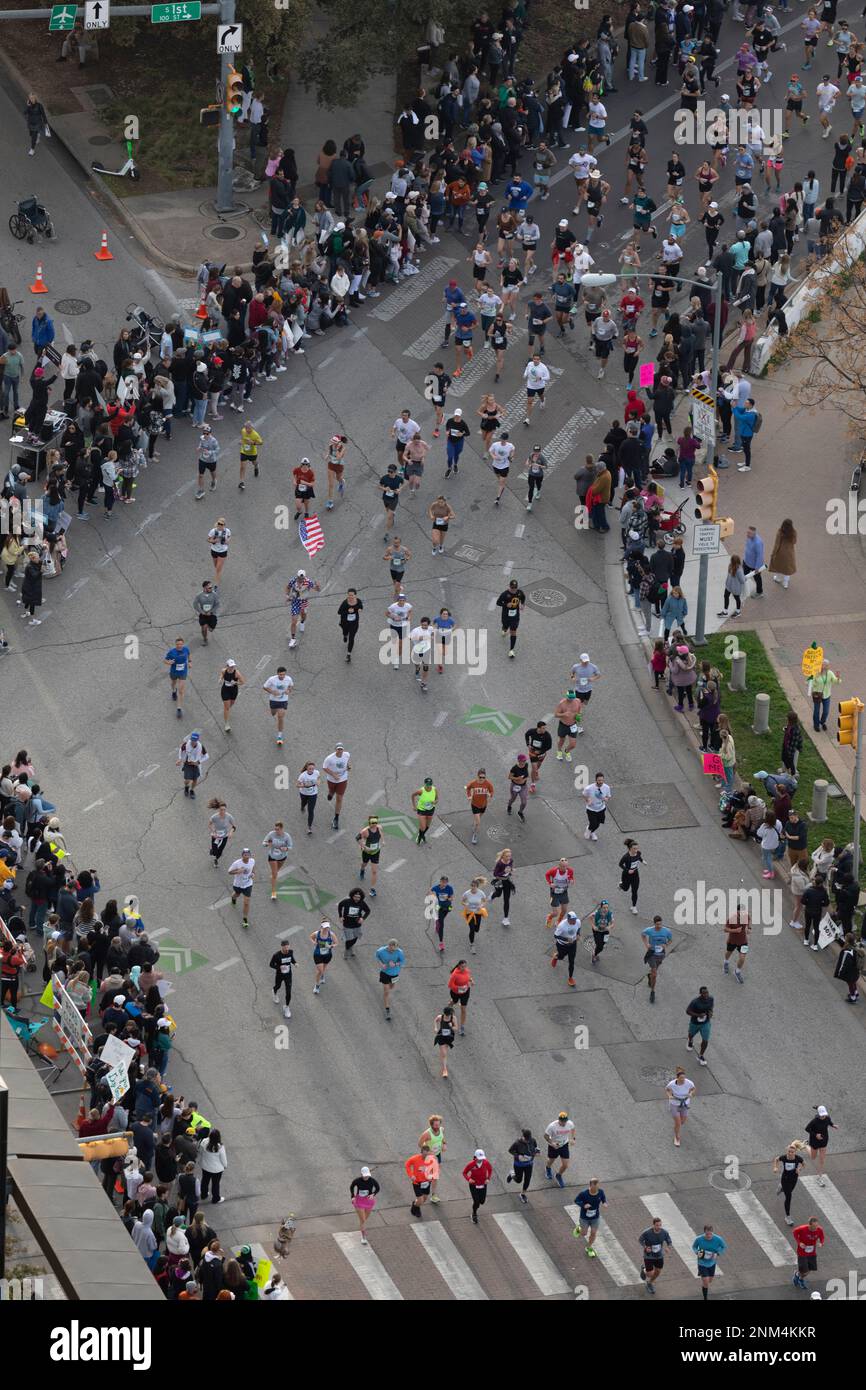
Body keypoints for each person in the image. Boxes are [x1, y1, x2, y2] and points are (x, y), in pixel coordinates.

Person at [573, 1179, 608, 1257]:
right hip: (584, 1218)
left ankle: (588, 1247)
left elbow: (603, 1198)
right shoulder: (584, 1193)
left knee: (593, 1233)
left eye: (597, 1186)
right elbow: (576, 1200)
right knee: (583, 1233)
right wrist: (583, 1205)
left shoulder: (601, 1192)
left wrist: (604, 1203)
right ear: (590, 1186)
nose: (596, 1188)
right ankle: (579, 1228)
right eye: (595, 1186)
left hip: (595, 1217)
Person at [773, 1142, 806, 1225]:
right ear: (787, 1151)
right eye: (789, 1152)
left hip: (794, 1179)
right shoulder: (784, 1158)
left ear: (795, 1152)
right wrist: (775, 1167)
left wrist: (799, 1169)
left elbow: (804, 1164)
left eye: (792, 1152)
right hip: (785, 1179)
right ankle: (787, 1217)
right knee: (788, 1197)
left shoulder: (798, 1158)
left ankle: (781, 1188)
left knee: (789, 1191)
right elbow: (776, 1159)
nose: (790, 1153)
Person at [643, 915, 672, 1004]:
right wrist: (646, 944)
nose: (659, 926)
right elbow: (643, 934)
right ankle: (652, 992)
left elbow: (670, 940)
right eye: (657, 924)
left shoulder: (667, 931)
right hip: (651, 953)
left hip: (661, 954)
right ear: (654, 924)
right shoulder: (650, 930)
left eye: (660, 924)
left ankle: (650, 976)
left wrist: (666, 944)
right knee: (655, 974)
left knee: (653, 972)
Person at [804, 1105, 836, 1184]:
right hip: (815, 1141)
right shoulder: (814, 1121)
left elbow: (829, 1122)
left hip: (824, 1140)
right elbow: (807, 1129)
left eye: (824, 1115)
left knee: (822, 1160)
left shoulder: (827, 1118)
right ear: (818, 1114)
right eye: (821, 1115)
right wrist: (815, 1135)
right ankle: (805, 1145)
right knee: (813, 1157)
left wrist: (833, 1125)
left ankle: (819, 1177)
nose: (823, 1117)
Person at [693, 1225, 726, 1299]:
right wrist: (697, 1252)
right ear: (704, 1232)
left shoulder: (718, 1239)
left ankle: (703, 1276)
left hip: (712, 1263)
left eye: (710, 1234)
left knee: (710, 1280)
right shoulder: (699, 1239)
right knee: (706, 1282)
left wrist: (717, 1254)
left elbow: (724, 1246)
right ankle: (705, 1298)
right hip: (701, 1262)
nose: (709, 1236)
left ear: (712, 1232)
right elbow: (694, 1247)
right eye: (707, 1234)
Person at [262, 666, 293, 747]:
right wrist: (272, 692)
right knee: (273, 713)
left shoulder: (288, 679)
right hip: (273, 700)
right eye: (280, 675)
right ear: (277, 674)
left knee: (280, 717)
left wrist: (288, 690)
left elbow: (291, 686)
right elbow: (264, 687)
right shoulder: (272, 679)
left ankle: (279, 736)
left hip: (283, 700)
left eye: (283, 675)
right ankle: (274, 711)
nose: (282, 676)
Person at [322, 743, 351, 830]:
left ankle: (336, 818)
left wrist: (348, 767)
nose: (340, 751)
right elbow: (324, 767)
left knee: (339, 798)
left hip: (343, 779)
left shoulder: (347, 755)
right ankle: (331, 793)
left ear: (343, 750)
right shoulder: (329, 758)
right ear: (335, 750)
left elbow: (347, 762)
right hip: (332, 779)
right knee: (331, 791)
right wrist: (333, 774)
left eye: (341, 749)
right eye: (338, 749)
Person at [544, 1111, 575, 1188]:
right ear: (559, 1120)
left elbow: (573, 1129)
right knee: (551, 1160)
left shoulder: (569, 1123)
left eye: (565, 1121)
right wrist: (552, 1143)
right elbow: (545, 1136)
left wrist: (573, 1138)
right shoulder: (552, 1126)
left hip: (564, 1145)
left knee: (565, 1165)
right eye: (562, 1121)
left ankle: (558, 1175)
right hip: (554, 1145)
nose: (564, 1123)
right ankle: (548, 1168)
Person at [792, 1217, 825, 1291]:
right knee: (804, 1270)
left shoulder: (819, 1229)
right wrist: (799, 1242)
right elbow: (794, 1232)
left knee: (810, 1270)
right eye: (814, 1226)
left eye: (817, 1226)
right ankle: (798, 1275)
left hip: (812, 1252)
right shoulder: (802, 1229)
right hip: (802, 1252)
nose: (816, 1228)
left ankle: (799, 1276)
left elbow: (822, 1237)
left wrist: (821, 1243)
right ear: (809, 1225)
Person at [666, 1066, 695, 1147]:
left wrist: (691, 1093)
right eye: (681, 1078)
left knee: (682, 1121)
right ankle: (677, 1137)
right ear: (677, 1078)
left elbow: (693, 1088)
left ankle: (676, 1126)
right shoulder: (672, 1084)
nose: (683, 1080)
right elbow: (667, 1090)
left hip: (685, 1103)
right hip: (674, 1103)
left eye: (684, 1078)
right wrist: (669, 1096)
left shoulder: (689, 1082)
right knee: (678, 1123)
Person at [262, 821, 292, 900]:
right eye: (275, 829)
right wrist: (268, 844)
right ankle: (273, 893)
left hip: (282, 857)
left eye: (278, 829)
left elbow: (290, 846)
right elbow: (264, 842)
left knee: (275, 872)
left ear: (282, 829)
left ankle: (273, 877)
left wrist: (285, 848)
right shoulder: (271, 834)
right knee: (275, 874)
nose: (276, 831)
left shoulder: (287, 836)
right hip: (272, 856)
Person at [405, 1144, 437, 1218]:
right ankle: (415, 1207)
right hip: (417, 1182)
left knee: (424, 1200)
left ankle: (416, 1204)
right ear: (421, 1152)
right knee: (420, 1200)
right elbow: (407, 1165)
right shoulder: (415, 1159)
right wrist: (411, 1175)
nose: (426, 1156)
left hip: (426, 1182)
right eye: (424, 1154)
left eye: (427, 1154)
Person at [350, 1166, 380, 1245]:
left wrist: (373, 1194)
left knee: (364, 1219)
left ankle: (361, 1226)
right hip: (359, 1201)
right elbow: (351, 1187)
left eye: (367, 1175)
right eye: (364, 1175)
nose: (366, 1177)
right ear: (361, 1174)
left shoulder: (372, 1181)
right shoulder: (357, 1181)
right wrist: (352, 1196)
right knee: (363, 1220)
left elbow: (378, 1188)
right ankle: (363, 1237)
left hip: (369, 1201)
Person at [496, 579, 525, 657]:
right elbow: (498, 602)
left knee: (513, 631)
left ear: (517, 587)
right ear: (509, 587)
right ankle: (504, 629)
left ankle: (511, 650)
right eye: (512, 588)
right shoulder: (505, 594)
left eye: (515, 588)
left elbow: (523, 598)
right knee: (505, 626)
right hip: (506, 616)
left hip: (515, 616)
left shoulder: (519, 593)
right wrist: (505, 604)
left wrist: (522, 604)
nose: (513, 589)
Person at [376, 938, 404, 1019]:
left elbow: (403, 961)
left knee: (392, 987)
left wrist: (395, 964)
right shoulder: (381, 951)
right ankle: (387, 1010)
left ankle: (387, 992)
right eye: (391, 949)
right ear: (388, 946)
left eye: (395, 949)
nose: (393, 951)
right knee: (386, 992)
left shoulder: (399, 952)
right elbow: (377, 957)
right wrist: (381, 964)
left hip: (395, 974)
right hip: (385, 973)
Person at [686, 986, 714, 1065]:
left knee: (705, 1040)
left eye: (707, 993)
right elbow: (688, 1011)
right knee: (691, 1034)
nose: (706, 995)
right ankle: (690, 1040)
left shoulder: (711, 999)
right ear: (700, 994)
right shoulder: (695, 1002)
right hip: (695, 1022)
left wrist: (711, 1012)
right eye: (704, 993)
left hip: (706, 1023)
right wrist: (698, 1015)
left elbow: (711, 1007)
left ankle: (701, 1055)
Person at [463, 1149, 493, 1224]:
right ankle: (474, 1214)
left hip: (483, 1184)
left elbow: (490, 1169)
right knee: (477, 1202)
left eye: (482, 1158)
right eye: (479, 1159)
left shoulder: (486, 1163)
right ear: (475, 1157)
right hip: (473, 1185)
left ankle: (475, 1203)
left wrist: (488, 1178)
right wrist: (468, 1179)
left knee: (482, 1201)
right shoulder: (471, 1164)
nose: (481, 1160)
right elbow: (464, 1173)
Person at [198, 1129, 228, 1205]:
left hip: (205, 1166)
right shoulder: (220, 1147)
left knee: (205, 1180)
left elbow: (200, 1152)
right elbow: (223, 1159)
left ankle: (204, 1194)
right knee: (215, 1184)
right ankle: (215, 1198)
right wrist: (225, 1166)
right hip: (216, 1170)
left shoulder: (204, 1142)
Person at [551, 911, 581, 988]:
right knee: (561, 957)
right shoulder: (562, 926)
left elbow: (578, 928)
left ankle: (570, 978)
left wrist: (578, 934)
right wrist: (566, 939)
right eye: (572, 920)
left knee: (572, 961)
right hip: (562, 945)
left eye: (575, 919)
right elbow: (555, 935)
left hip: (573, 945)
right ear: (568, 919)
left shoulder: (577, 922)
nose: (574, 921)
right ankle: (556, 956)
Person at [465, 768, 494, 846]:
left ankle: (475, 825)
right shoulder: (473, 783)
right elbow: (468, 788)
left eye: (483, 777)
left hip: (483, 805)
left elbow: (492, 791)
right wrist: (469, 796)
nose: (482, 779)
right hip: (475, 804)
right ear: (477, 776)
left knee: (478, 820)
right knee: (478, 822)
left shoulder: (488, 783)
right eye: (480, 777)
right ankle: (475, 836)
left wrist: (490, 795)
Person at [164, 637, 191, 719]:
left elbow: (189, 655)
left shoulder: (186, 649)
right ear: (175, 645)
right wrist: (169, 662)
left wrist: (189, 662)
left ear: (183, 644)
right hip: (174, 672)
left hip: (183, 672)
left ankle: (179, 709)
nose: (179, 646)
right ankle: (173, 691)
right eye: (178, 644)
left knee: (181, 690)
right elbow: (165, 660)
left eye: (181, 644)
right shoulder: (172, 652)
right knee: (173, 683)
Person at [227, 848, 255, 928]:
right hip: (238, 884)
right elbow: (229, 872)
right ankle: (233, 898)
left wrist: (253, 873)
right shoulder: (237, 863)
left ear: (250, 855)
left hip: (248, 884)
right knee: (236, 895)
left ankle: (245, 919)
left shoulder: (252, 861)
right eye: (245, 855)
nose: (246, 856)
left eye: (248, 854)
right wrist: (237, 871)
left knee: (246, 902)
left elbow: (253, 868)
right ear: (242, 855)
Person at [177, 730, 208, 798]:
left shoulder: (200, 747)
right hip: (188, 763)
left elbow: (206, 756)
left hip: (195, 765)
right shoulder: (186, 744)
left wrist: (198, 762)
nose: (193, 742)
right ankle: (186, 787)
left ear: (197, 740)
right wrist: (179, 759)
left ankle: (192, 790)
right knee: (187, 780)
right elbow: (181, 750)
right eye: (192, 740)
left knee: (195, 780)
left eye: (194, 741)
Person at [722, 906, 750, 983]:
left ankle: (737, 972)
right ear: (737, 911)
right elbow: (725, 929)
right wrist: (735, 930)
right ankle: (726, 962)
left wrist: (749, 928)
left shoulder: (746, 916)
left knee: (742, 958)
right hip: (732, 940)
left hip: (744, 941)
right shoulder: (731, 919)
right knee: (729, 952)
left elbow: (749, 920)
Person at [356, 815, 382, 896]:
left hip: (376, 852)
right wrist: (364, 846)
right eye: (372, 822)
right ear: (369, 822)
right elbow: (357, 838)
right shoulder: (365, 831)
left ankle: (372, 889)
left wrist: (383, 841)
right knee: (364, 864)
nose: (374, 824)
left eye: (375, 822)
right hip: (367, 852)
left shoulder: (379, 828)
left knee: (374, 871)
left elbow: (381, 834)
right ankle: (362, 870)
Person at [269, 939, 296, 1018]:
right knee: (278, 986)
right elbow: (271, 964)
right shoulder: (276, 955)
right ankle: (274, 992)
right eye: (285, 947)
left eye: (288, 946)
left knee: (288, 992)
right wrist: (279, 967)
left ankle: (286, 1007)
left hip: (288, 975)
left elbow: (292, 959)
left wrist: (295, 963)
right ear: (282, 947)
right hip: (280, 975)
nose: (287, 949)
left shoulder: (290, 952)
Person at [311, 918, 337, 995]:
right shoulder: (317, 933)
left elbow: (336, 943)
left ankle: (322, 975)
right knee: (320, 970)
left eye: (328, 927)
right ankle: (317, 986)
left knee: (323, 968)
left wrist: (331, 946)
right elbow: (311, 937)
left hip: (327, 955)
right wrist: (314, 942)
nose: (326, 929)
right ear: (321, 927)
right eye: (325, 927)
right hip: (318, 954)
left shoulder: (331, 934)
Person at [769, 518, 797, 590]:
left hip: (780, 553)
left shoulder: (780, 532)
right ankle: (785, 583)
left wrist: (773, 553)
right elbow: (794, 542)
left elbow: (777, 545)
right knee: (787, 569)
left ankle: (778, 579)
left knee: (778, 567)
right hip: (789, 553)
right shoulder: (793, 533)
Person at [583, 773, 612, 841]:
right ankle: (588, 829)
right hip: (591, 809)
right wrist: (588, 800)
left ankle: (592, 832)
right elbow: (584, 794)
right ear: (596, 780)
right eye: (599, 780)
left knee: (598, 824)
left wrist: (606, 799)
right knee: (593, 823)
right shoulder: (589, 788)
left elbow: (608, 796)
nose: (601, 782)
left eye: (602, 780)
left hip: (601, 809)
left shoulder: (606, 787)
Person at [336, 588, 363, 662]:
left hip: (354, 623)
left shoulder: (358, 601)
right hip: (345, 622)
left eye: (352, 595)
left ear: (355, 595)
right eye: (349, 595)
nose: (350, 597)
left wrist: (360, 609)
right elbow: (339, 612)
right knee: (345, 632)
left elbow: (360, 607)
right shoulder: (345, 603)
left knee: (351, 638)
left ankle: (348, 655)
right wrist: (347, 611)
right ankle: (345, 635)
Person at [618, 839, 643, 914]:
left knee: (634, 891)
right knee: (625, 889)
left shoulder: (638, 853)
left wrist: (642, 861)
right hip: (626, 875)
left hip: (635, 875)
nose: (636, 850)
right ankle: (620, 884)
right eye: (634, 848)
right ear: (630, 848)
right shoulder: (626, 857)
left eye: (637, 848)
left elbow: (639, 857)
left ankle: (634, 907)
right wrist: (627, 870)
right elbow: (620, 864)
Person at [433, 1003, 456, 1077]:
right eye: (447, 1015)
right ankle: (445, 1070)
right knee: (444, 1053)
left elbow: (456, 1028)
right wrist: (435, 1028)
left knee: (444, 1052)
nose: (448, 1016)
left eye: (449, 1015)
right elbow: (435, 1020)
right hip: (441, 1036)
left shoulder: (453, 1018)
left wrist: (452, 1026)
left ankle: (443, 1056)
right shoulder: (440, 1017)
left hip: (449, 1037)